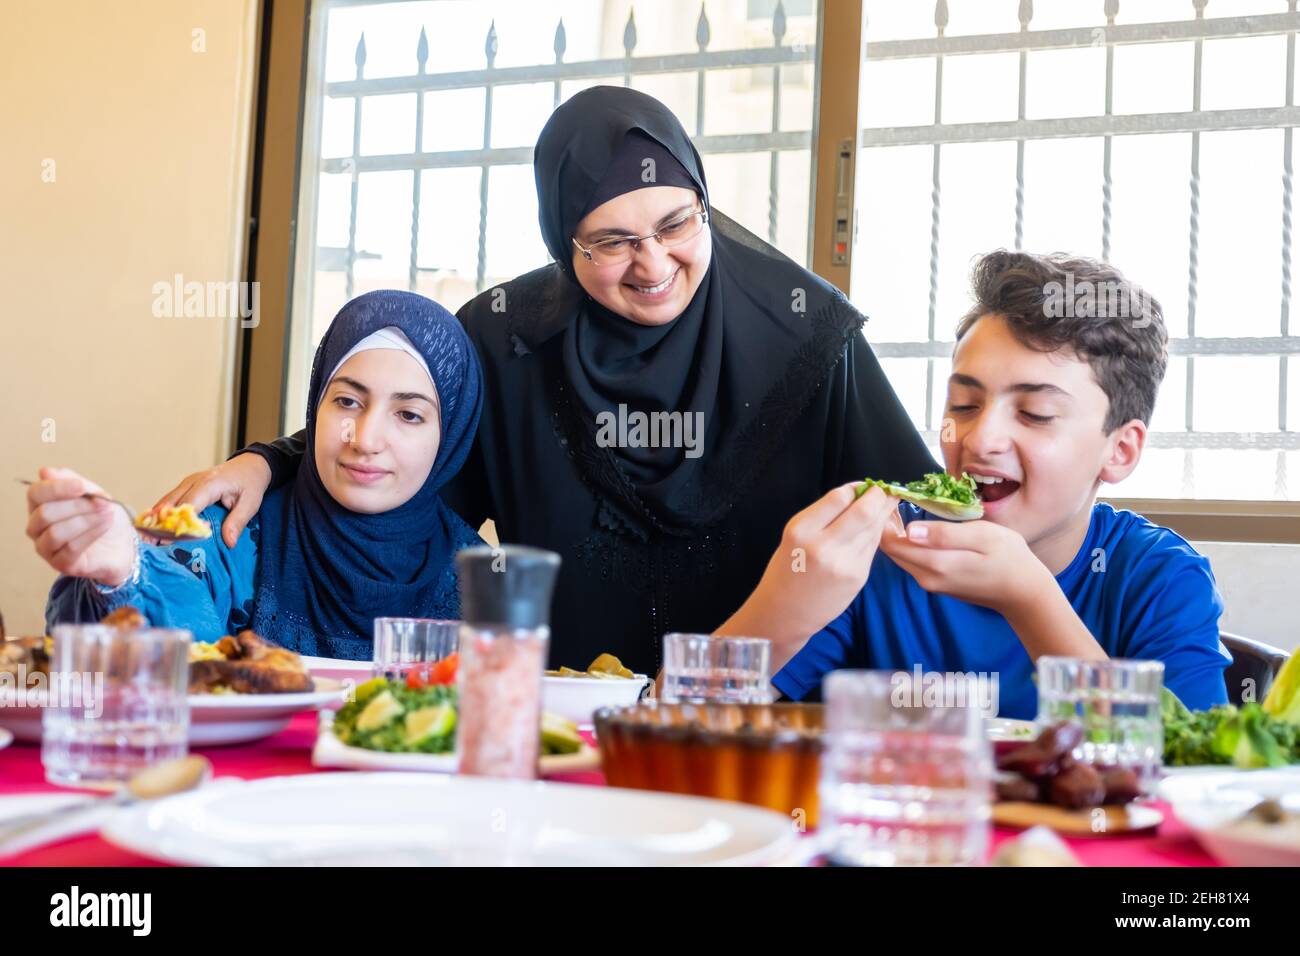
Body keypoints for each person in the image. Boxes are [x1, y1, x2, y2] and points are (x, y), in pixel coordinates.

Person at [152, 87, 936, 675]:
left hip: (770, 710)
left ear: (704, 202)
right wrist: (268, 462)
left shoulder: (808, 332)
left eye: (675, 224)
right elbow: (399, 456)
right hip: (560, 717)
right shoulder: (507, 337)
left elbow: (920, 514)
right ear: (564, 243)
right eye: (611, 243)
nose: (655, 265)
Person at [717, 250, 1231, 716]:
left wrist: (1030, 599)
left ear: (1119, 450)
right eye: (964, 405)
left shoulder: (1159, 578)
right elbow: (681, 725)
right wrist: (784, 597)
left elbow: (1193, 784)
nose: (979, 438)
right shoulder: (877, 554)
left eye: (1035, 413)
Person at [27, 290, 483, 659]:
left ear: (452, 435)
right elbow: (160, 654)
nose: (365, 439)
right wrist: (120, 571)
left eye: (408, 415)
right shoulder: (234, 527)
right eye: (346, 402)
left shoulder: (482, 578)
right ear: (315, 406)